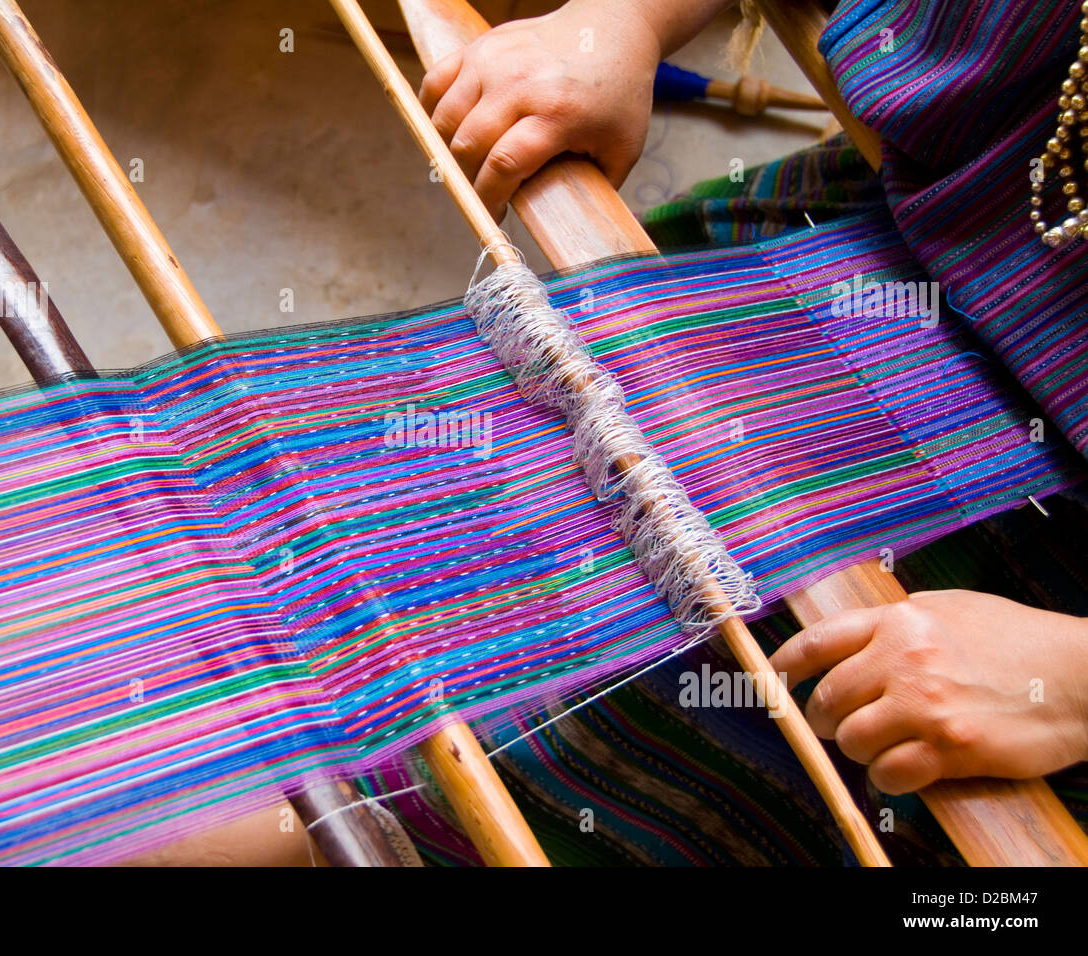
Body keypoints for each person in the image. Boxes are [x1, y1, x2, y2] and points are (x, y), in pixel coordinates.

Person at [418, 0, 1088, 796]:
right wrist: (622, 22)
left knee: (570, 760)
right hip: (869, 226)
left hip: (1023, 587)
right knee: (419, 517)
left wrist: (1070, 683)